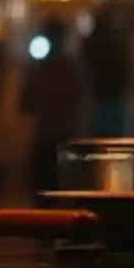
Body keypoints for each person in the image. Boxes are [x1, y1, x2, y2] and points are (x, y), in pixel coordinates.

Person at [20, 17, 85, 198]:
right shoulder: (73, 68)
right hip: (67, 139)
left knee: (42, 197)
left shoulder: (37, 69)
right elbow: (81, 102)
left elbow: (25, 104)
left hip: (44, 138)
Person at [83, 6, 132, 138]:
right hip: (109, 92)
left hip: (103, 92)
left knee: (101, 127)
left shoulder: (96, 41)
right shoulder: (115, 42)